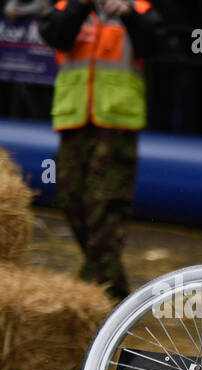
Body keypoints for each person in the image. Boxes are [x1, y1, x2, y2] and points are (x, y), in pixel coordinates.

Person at [37, 0, 164, 302]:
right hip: (74, 121)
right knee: (70, 200)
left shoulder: (141, 8)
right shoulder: (67, 5)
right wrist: (80, 7)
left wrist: (130, 14)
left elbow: (154, 45)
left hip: (116, 125)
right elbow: (54, 35)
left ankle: (107, 294)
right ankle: (103, 287)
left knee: (105, 207)